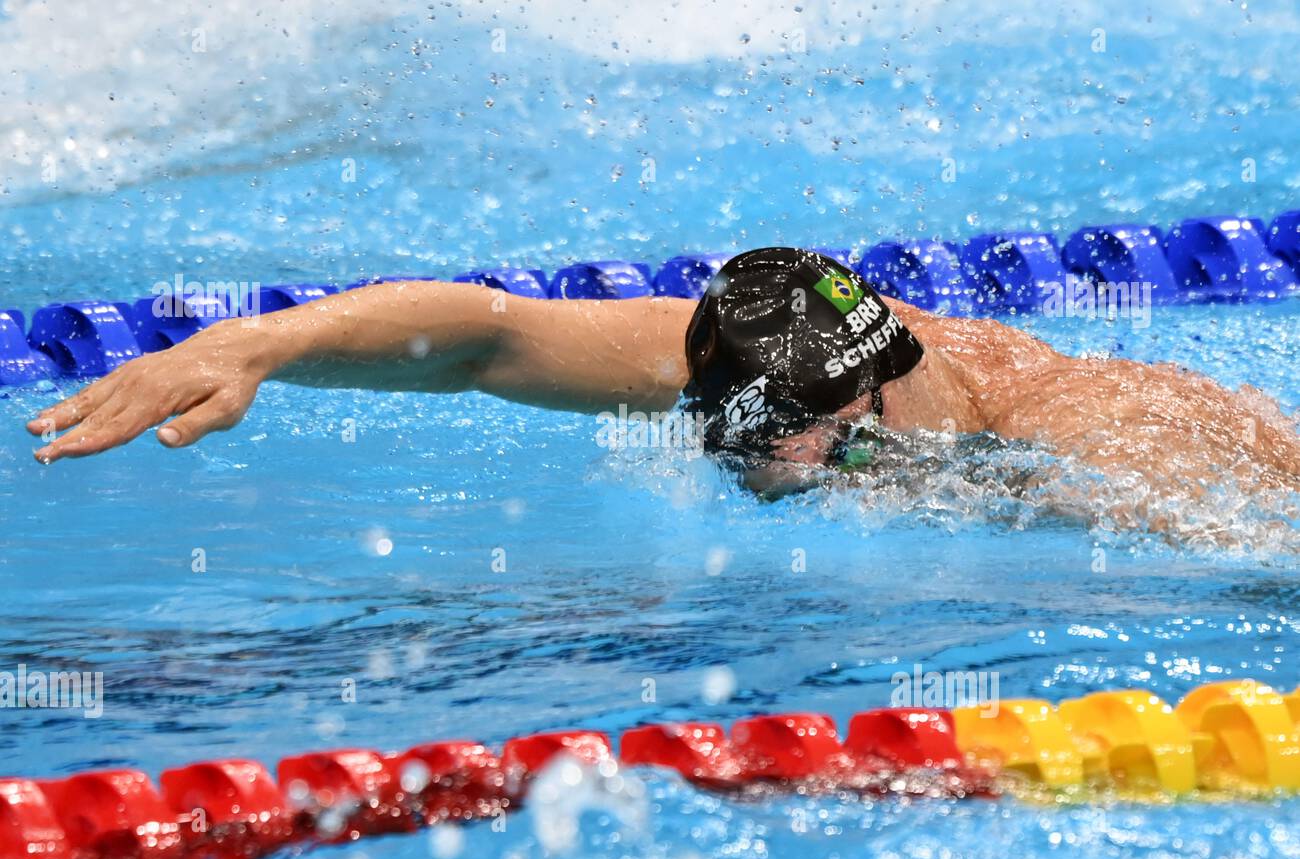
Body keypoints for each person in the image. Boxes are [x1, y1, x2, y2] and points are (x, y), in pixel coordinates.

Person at [25, 247, 1300, 512]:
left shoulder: (1101, 452)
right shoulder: (748, 351)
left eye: (801, 439)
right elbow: (485, 333)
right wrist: (251, 345)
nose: (763, 465)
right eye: (730, 428)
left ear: (883, 391)